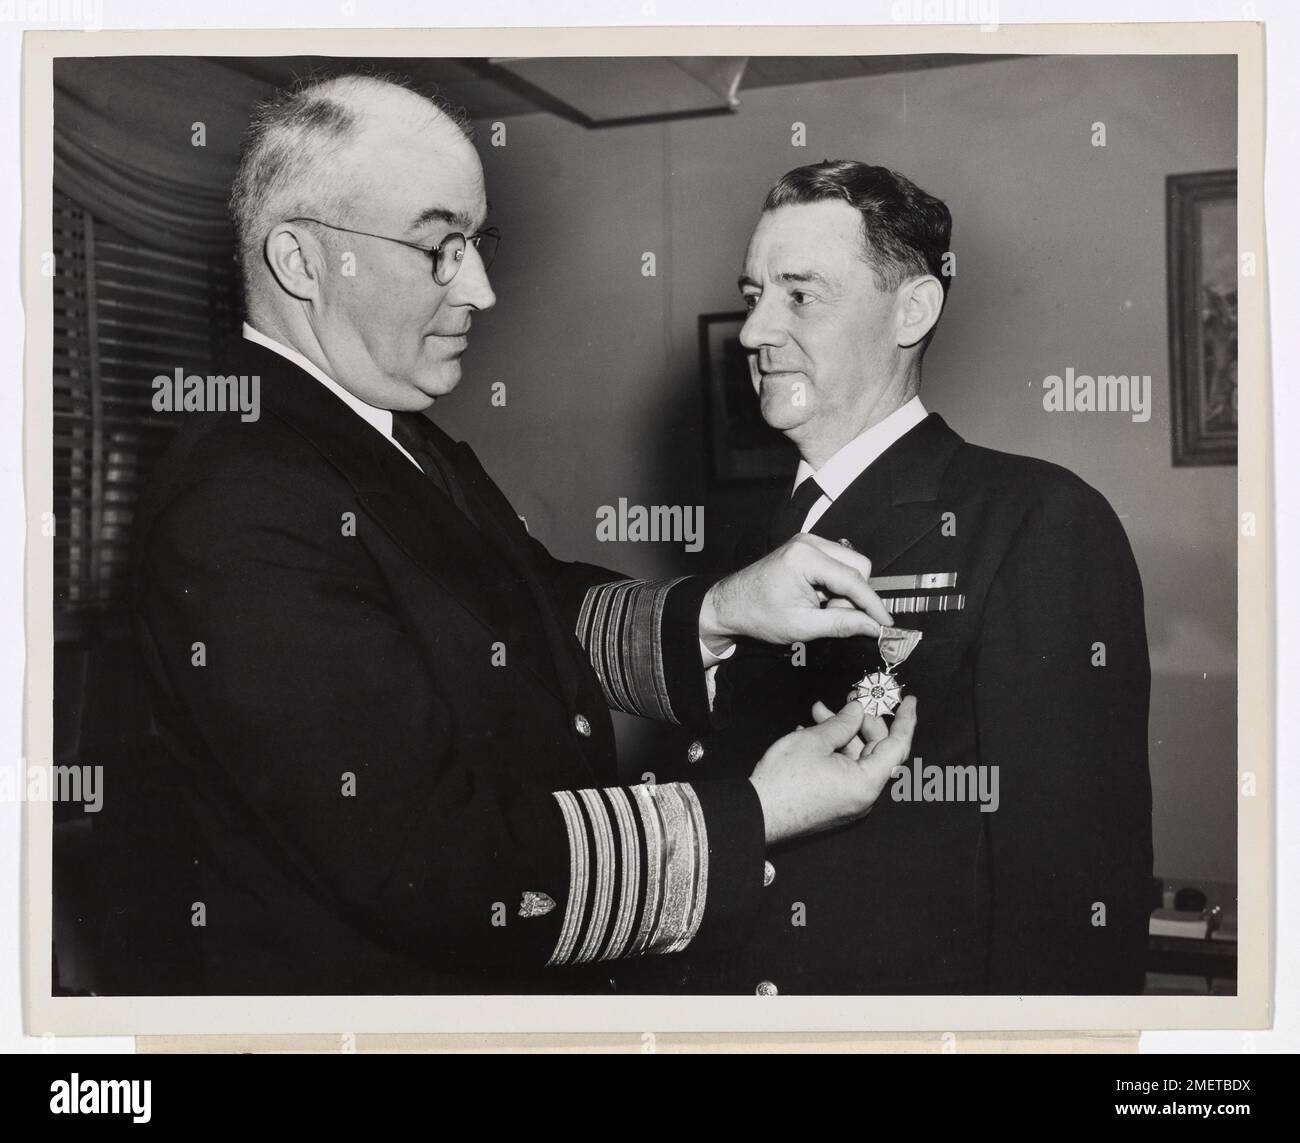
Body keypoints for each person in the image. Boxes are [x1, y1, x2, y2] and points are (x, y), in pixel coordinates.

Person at [132, 78, 916, 995]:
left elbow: (530, 615)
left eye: (477, 243)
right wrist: (755, 810)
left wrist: (723, 611)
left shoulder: (391, 435)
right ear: (303, 263)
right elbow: (442, 868)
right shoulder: (240, 498)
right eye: (439, 247)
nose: (482, 288)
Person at [629, 160, 1152, 996]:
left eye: (799, 295)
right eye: (752, 293)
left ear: (911, 309)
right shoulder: (751, 541)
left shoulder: (1035, 519)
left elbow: (1071, 893)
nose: (755, 331)